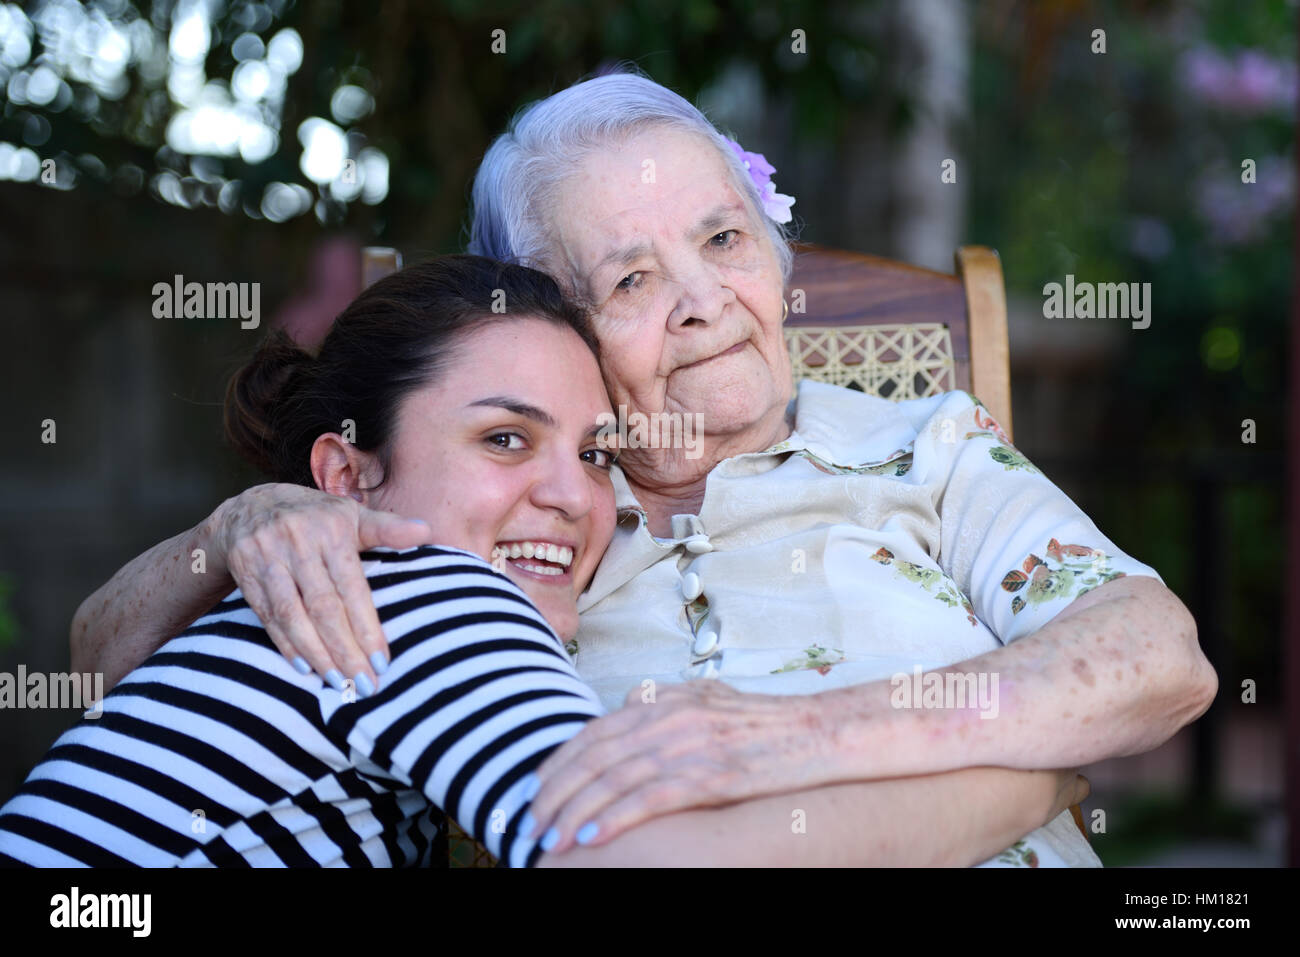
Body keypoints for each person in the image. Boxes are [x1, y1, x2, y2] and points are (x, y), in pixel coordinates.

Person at [70, 70, 1216, 867]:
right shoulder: (523, 522)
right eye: (628, 280)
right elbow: (112, 669)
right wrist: (249, 521)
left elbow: (1158, 660)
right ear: (549, 327)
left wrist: (809, 736)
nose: (706, 302)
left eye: (723, 241)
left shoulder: (923, 447)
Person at [1, 255, 1080, 868]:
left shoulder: (319, 595)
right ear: (347, 475)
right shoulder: (429, 592)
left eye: (595, 451)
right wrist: (1039, 775)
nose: (575, 494)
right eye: (504, 439)